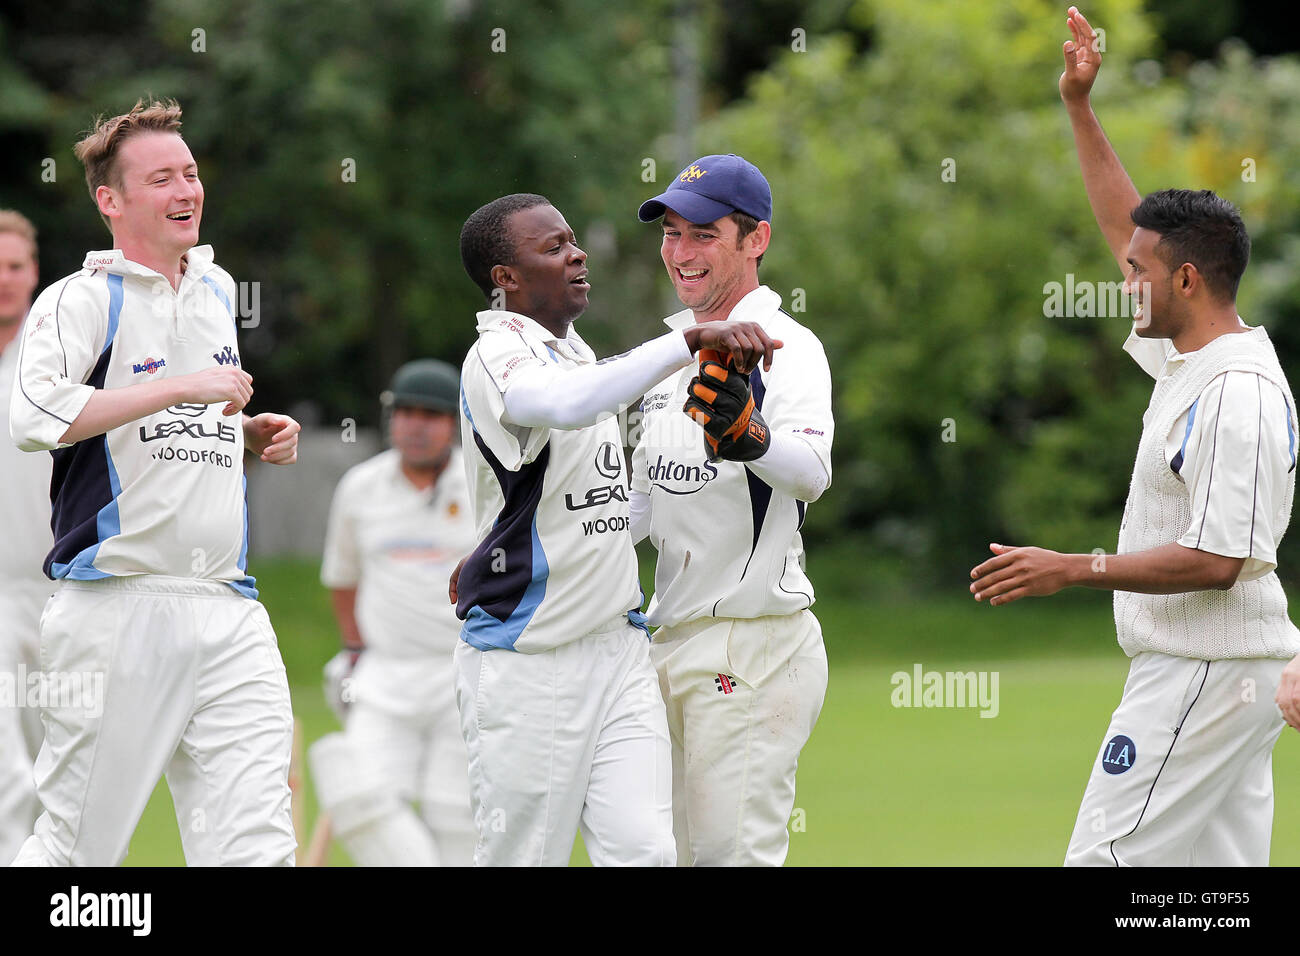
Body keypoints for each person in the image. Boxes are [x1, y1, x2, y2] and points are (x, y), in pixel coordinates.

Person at [969, 7, 1300, 866]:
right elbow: (1129, 226)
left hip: (1202, 676)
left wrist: (1071, 568)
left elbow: (1220, 559)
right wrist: (1080, 106)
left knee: (1104, 867)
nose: (1126, 279)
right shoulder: (1190, 359)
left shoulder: (1238, 393)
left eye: (1140, 275)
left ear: (1187, 280)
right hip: (1226, 678)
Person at [8, 98, 302, 866]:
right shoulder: (78, 298)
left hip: (230, 605)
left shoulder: (213, 290)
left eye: (192, 173)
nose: (187, 190)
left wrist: (243, 430)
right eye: (163, 178)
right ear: (111, 201)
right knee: (78, 852)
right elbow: (36, 414)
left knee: (257, 843)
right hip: (115, 609)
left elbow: (159, 424)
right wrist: (185, 390)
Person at [452, 192, 781, 866]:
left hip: (619, 651)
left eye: (572, 240)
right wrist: (686, 341)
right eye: (552, 247)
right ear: (505, 279)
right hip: (530, 660)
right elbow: (566, 407)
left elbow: (602, 503)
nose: (575, 254)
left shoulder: (577, 353)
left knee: (646, 854)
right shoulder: (497, 354)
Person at [631, 154, 833, 866]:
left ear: (756, 240)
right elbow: (636, 511)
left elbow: (811, 473)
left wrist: (749, 438)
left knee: (731, 859)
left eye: (704, 235)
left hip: (753, 645)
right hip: (667, 642)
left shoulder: (789, 348)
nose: (680, 254)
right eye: (672, 233)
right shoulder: (667, 358)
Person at [309, 359, 478, 866]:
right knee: (359, 799)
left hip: (464, 671)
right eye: (406, 413)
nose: (416, 425)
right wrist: (355, 651)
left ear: (454, 424)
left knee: (458, 816)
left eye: (431, 414)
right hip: (385, 673)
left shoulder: (483, 485)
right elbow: (343, 580)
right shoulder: (361, 487)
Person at [0, 210, 53, 865]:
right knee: (5, 772)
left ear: (34, 273)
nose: (3, 280)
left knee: (60, 763)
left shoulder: (58, 353)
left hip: (58, 587)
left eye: (14, 268)